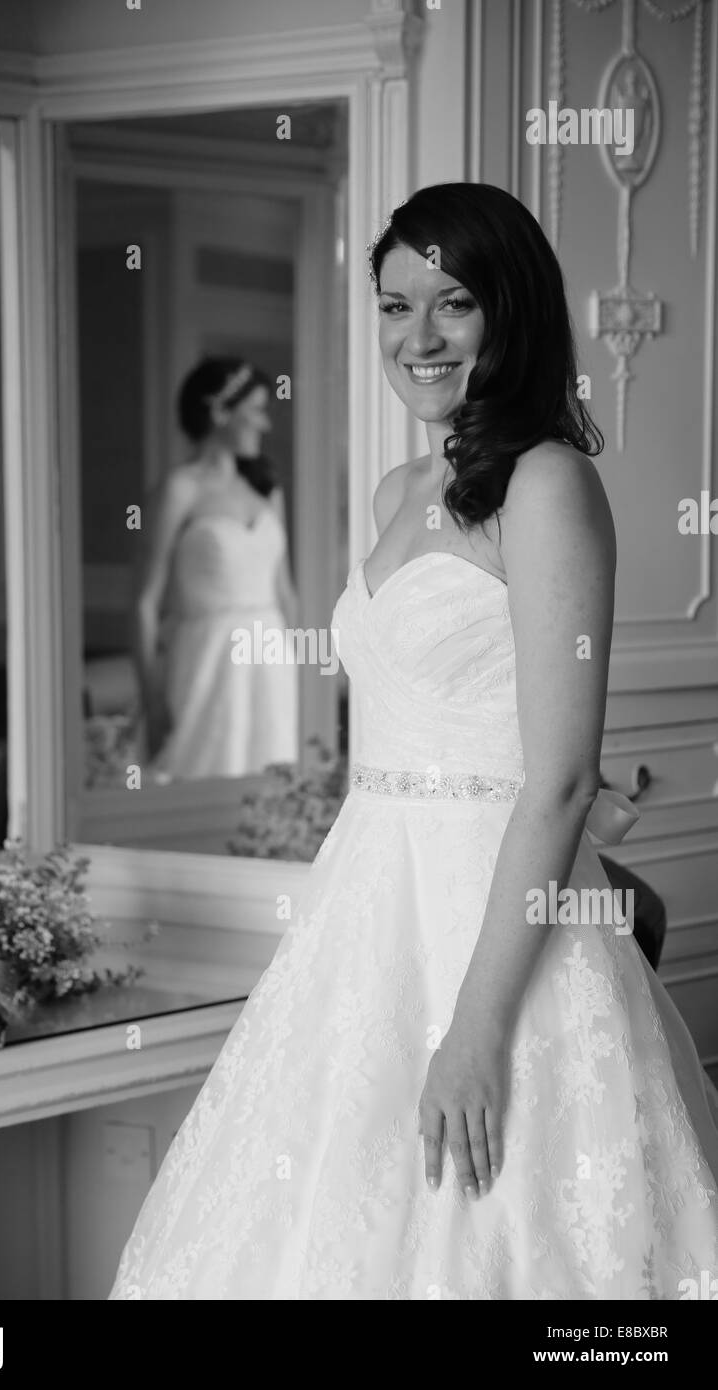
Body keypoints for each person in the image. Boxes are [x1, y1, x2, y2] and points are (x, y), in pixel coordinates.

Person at [110, 184, 718, 1299]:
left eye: (451, 304)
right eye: (394, 307)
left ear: (509, 314)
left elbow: (562, 776)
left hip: (491, 931)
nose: (417, 337)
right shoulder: (399, 486)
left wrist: (476, 1031)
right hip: (366, 907)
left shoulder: (546, 485)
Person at [132, 358, 299, 779]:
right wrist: (152, 703)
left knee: (270, 786)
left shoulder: (267, 490)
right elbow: (145, 603)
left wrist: (303, 672)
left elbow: (286, 592)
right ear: (220, 412)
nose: (265, 426)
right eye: (257, 411)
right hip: (207, 664)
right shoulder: (179, 490)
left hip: (271, 662)